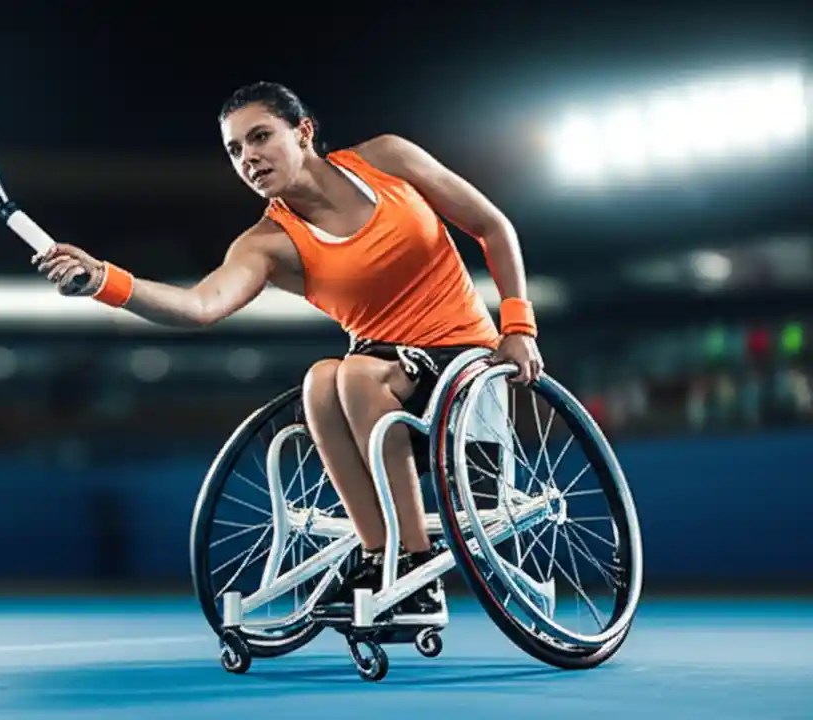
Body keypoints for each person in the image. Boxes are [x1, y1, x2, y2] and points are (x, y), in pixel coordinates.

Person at [33, 81, 543, 624]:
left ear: (303, 133)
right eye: (234, 150)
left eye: (259, 137)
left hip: (466, 367)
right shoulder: (266, 244)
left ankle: (415, 564)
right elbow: (200, 305)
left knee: (350, 377)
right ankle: (381, 555)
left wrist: (518, 324)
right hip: (380, 382)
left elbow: (492, 226)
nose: (248, 158)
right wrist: (103, 282)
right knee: (321, 379)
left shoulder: (388, 159)